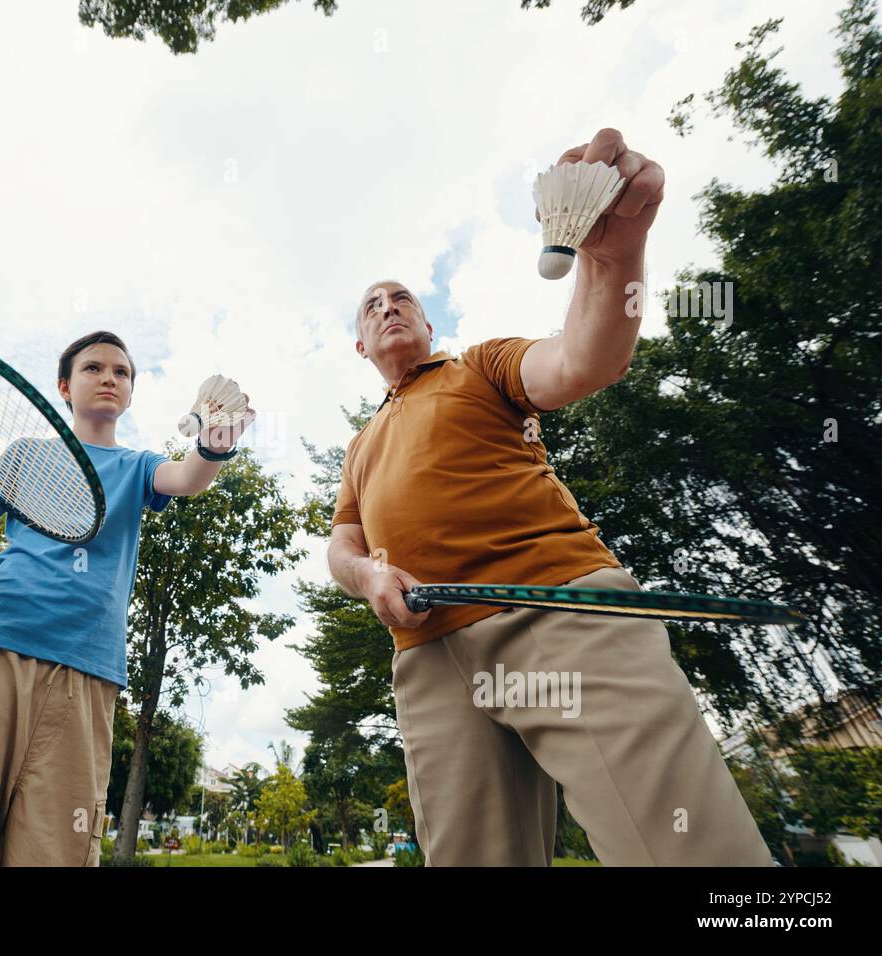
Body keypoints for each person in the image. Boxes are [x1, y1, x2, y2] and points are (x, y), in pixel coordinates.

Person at [327, 129, 774, 866]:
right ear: (360, 345)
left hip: (559, 608)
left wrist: (613, 255)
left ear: (428, 321)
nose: (388, 306)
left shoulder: (480, 365)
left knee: (690, 854)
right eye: (372, 305)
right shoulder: (359, 447)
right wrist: (369, 575)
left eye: (401, 296)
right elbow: (341, 546)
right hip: (429, 659)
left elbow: (582, 359)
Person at [0, 330, 253, 866]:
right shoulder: (25, 456)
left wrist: (214, 444)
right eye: (94, 368)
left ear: (130, 394)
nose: (109, 377)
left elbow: (190, 476)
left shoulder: (139, 466)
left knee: (54, 849)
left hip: (87, 671)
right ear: (64, 386)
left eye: (121, 373)